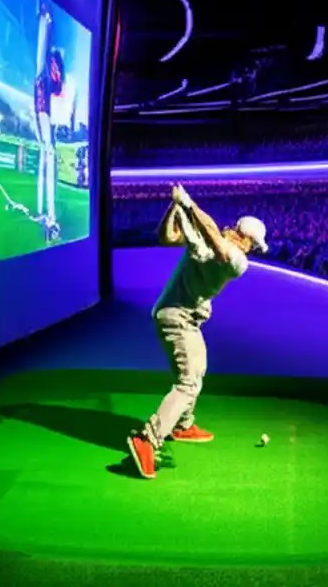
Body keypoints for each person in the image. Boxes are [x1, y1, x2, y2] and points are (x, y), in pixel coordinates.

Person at [127, 184, 269, 479]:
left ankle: (183, 424)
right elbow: (167, 237)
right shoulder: (220, 247)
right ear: (243, 237)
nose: (251, 251)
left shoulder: (234, 261)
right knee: (188, 381)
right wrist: (176, 207)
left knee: (197, 368)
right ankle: (148, 439)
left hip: (183, 318)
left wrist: (186, 205)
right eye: (252, 244)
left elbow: (213, 238)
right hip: (176, 317)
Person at [33, 4, 79, 242]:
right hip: (44, 106)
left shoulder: (54, 68)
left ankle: (47, 215)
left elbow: (57, 87)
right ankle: (48, 216)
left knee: (47, 155)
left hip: (46, 106)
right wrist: (45, 22)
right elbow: (43, 57)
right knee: (47, 155)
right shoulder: (48, 69)